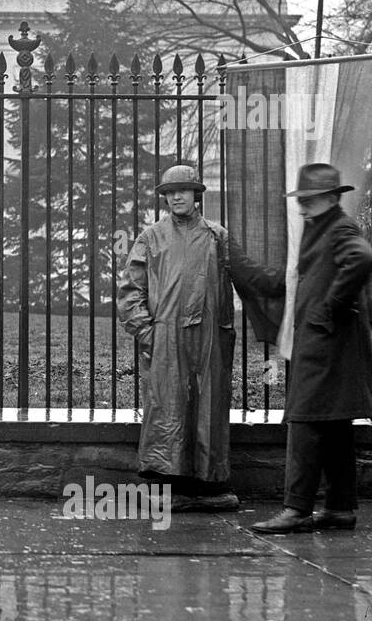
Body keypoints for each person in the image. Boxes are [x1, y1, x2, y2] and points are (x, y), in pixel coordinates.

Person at [117, 164, 285, 511]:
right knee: (169, 405)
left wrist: (287, 280)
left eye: (184, 190)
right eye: (170, 192)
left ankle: (209, 484)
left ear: (197, 195)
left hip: (211, 333)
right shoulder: (151, 238)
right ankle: (168, 484)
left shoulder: (217, 236)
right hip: (166, 335)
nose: (176, 197)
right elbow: (130, 291)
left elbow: (247, 274)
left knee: (209, 406)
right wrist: (148, 332)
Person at [252, 163, 372, 533]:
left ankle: (297, 509)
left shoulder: (339, 228)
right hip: (329, 343)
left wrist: (328, 307)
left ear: (329, 198)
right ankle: (340, 508)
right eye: (301, 200)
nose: (302, 207)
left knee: (305, 421)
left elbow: (364, 259)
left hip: (326, 343)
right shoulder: (321, 227)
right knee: (335, 424)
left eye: (308, 200)